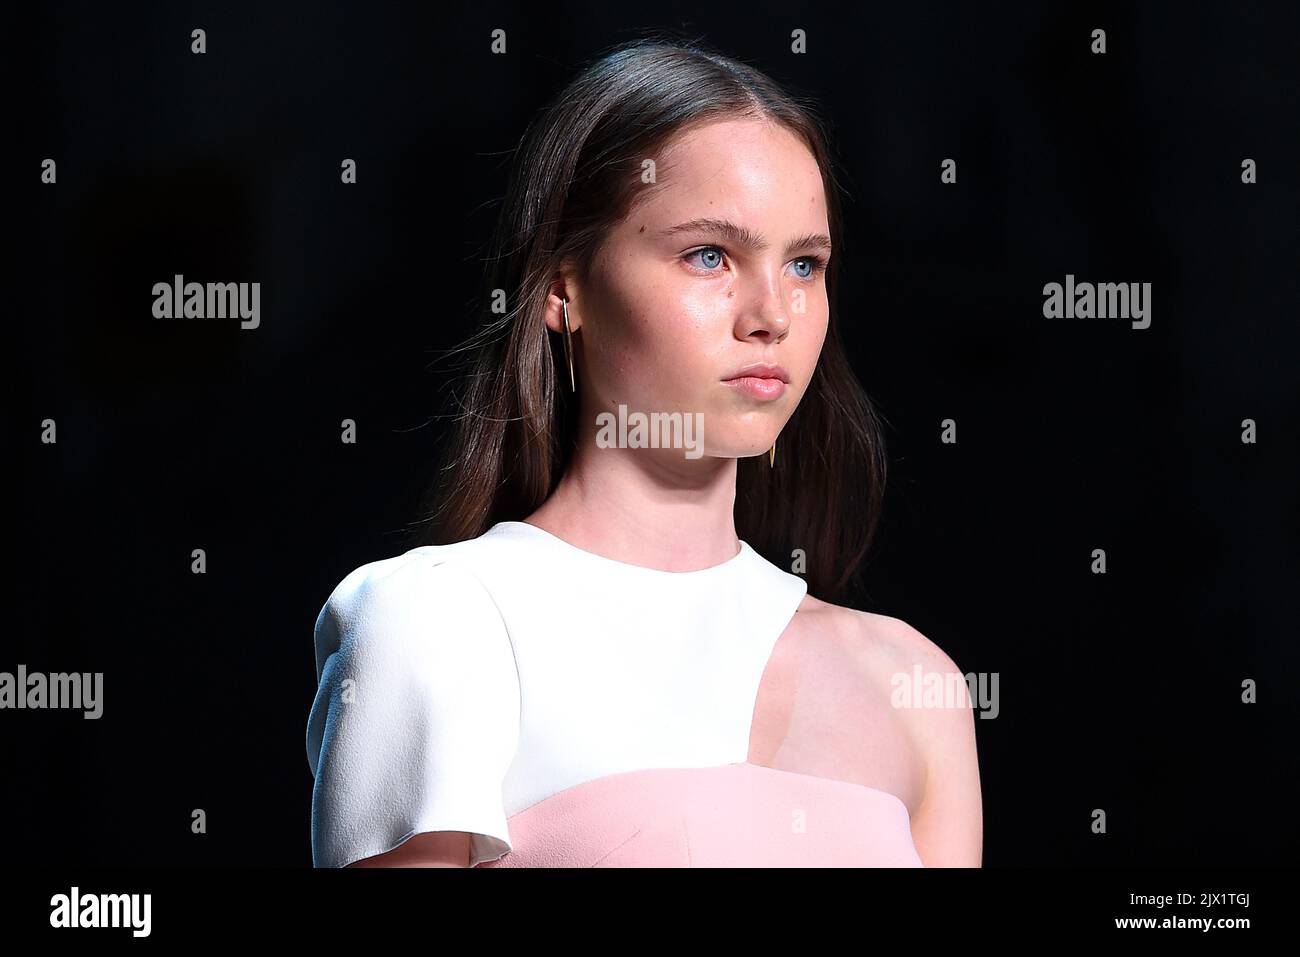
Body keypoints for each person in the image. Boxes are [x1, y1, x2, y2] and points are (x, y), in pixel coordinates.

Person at [306, 35, 983, 868]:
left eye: (804, 264)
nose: (771, 312)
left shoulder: (914, 684)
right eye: (710, 255)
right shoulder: (445, 622)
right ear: (564, 288)